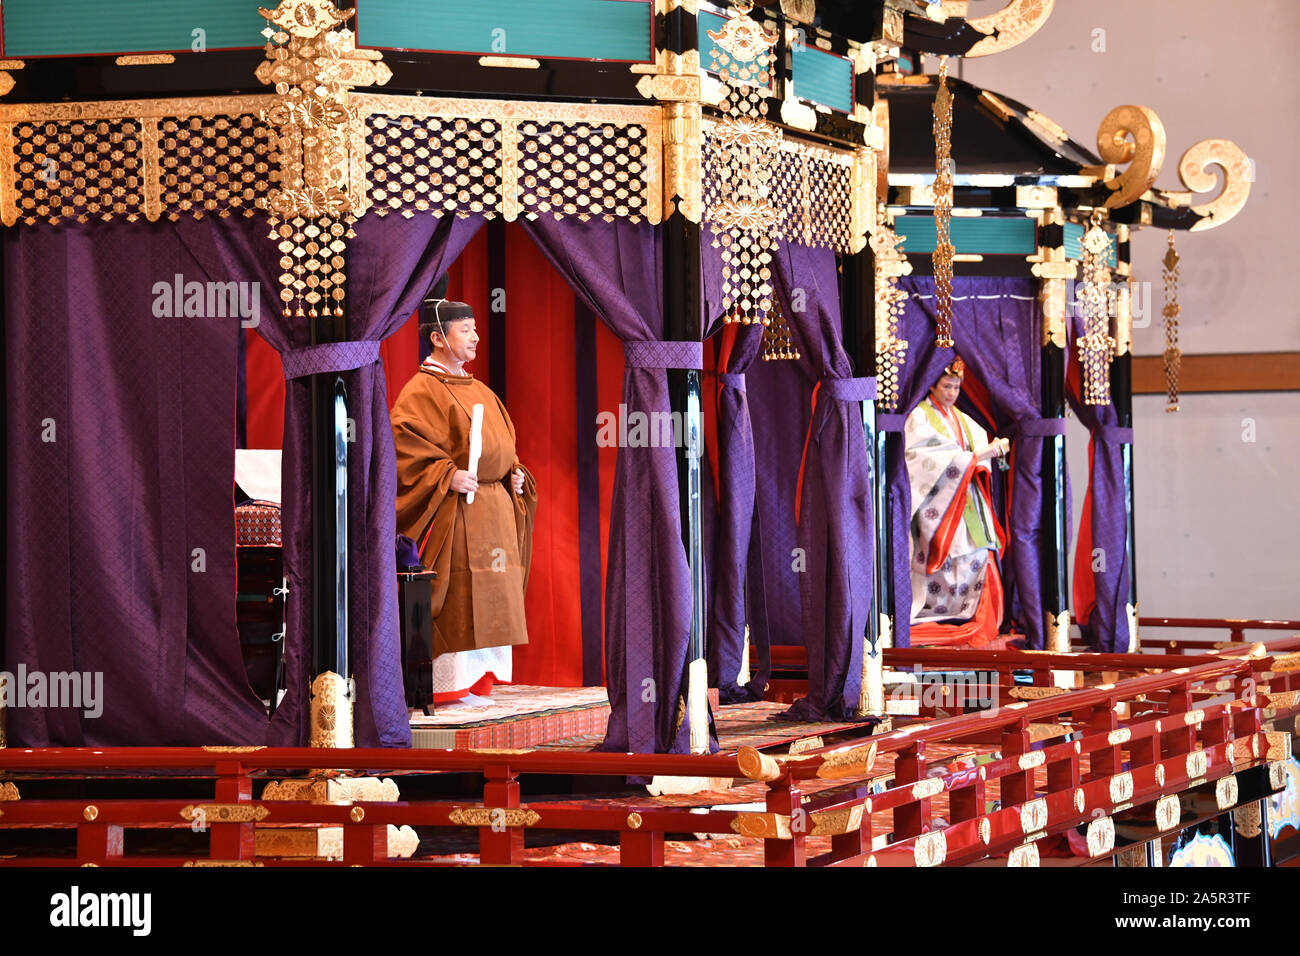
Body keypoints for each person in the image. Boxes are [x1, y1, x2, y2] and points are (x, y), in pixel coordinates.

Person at [390, 298, 537, 703]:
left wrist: (515, 475)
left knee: (492, 595)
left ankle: (481, 679)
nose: (475, 337)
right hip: (458, 512)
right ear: (438, 338)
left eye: (475, 328)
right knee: (459, 597)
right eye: (465, 330)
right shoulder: (420, 391)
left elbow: (503, 448)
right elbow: (404, 448)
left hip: (494, 508)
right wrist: (446, 474)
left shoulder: (480, 389)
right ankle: (448, 687)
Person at [904, 357, 1008, 645]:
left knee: (979, 554)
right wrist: (982, 455)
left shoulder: (962, 419)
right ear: (933, 385)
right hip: (938, 502)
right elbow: (921, 455)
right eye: (946, 386)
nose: (951, 393)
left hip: (967, 499)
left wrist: (985, 455)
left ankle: (974, 620)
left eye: (956, 388)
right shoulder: (920, 416)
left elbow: (974, 448)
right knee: (945, 561)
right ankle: (937, 621)